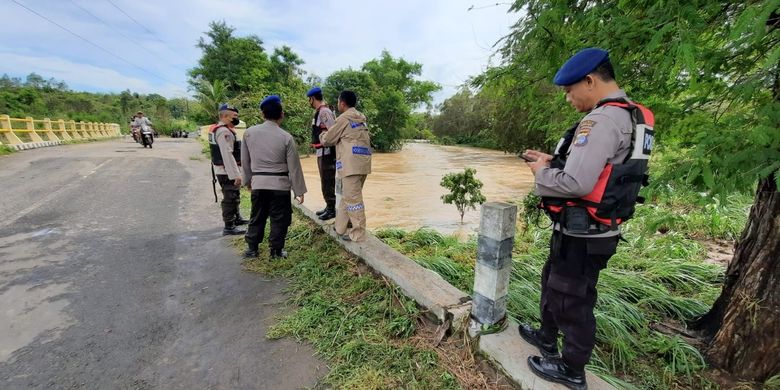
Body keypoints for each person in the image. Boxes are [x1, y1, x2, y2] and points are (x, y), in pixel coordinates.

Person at [520, 48, 654, 390]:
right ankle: (547, 337)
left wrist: (541, 172)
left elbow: (576, 183)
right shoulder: (634, 116)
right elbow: (607, 169)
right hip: (594, 227)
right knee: (553, 280)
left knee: (571, 298)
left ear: (590, 80)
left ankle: (571, 369)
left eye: (569, 90)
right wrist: (552, 159)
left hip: (584, 232)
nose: (567, 98)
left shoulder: (602, 120)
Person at [241, 95, 307, 258]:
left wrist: (248, 181)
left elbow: (245, 161)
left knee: (257, 216)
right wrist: (299, 191)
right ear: (281, 115)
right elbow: (294, 167)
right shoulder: (286, 137)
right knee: (280, 219)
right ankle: (276, 251)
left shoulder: (248, 133)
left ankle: (252, 249)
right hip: (280, 186)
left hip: (259, 183)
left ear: (263, 114)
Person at [320, 90, 372, 242]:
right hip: (362, 163)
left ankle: (358, 235)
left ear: (342, 103)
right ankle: (340, 228)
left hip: (350, 166)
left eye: (338, 102)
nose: (337, 105)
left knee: (354, 200)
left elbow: (328, 139)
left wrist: (321, 135)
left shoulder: (343, 119)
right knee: (347, 197)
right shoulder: (361, 118)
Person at [208, 103, 247, 236]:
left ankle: (237, 219)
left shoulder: (224, 129)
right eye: (234, 116)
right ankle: (229, 226)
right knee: (230, 197)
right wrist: (235, 175)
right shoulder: (223, 131)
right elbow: (227, 155)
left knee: (234, 196)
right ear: (225, 116)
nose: (236, 118)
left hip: (226, 170)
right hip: (226, 172)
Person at [306, 86, 337, 221]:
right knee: (324, 179)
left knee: (327, 179)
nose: (309, 102)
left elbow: (333, 132)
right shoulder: (320, 112)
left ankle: (331, 209)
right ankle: (328, 205)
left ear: (313, 98)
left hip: (327, 152)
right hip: (321, 151)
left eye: (309, 100)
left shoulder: (324, 112)